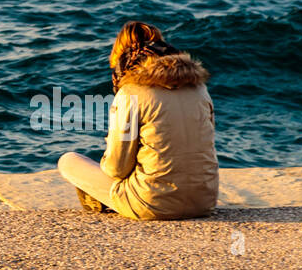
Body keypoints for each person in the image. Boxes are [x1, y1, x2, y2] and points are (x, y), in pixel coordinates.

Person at [58, 21, 217, 220]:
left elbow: (117, 168)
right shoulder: (199, 89)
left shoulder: (130, 93)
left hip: (152, 204)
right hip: (204, 201)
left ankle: (107, 203)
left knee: (68, 161)